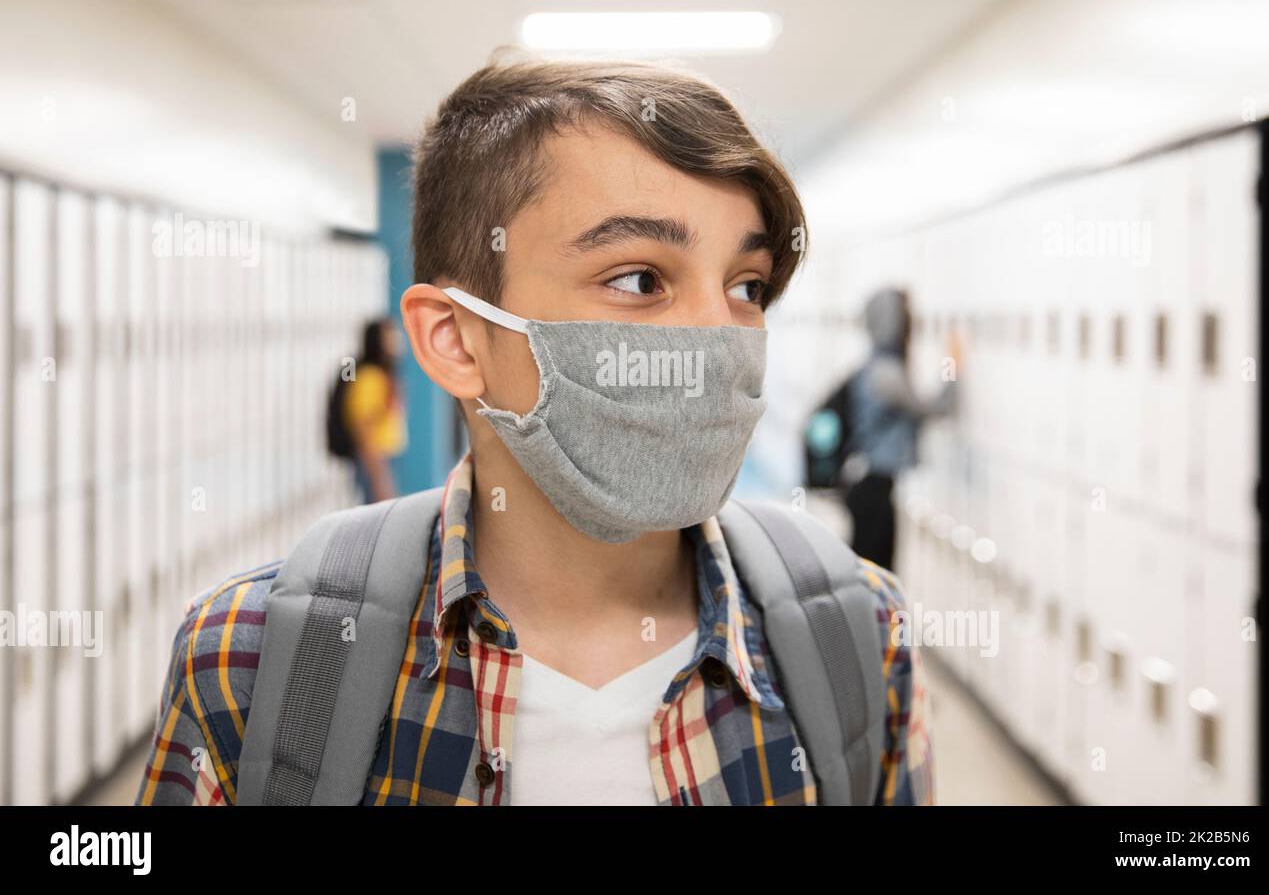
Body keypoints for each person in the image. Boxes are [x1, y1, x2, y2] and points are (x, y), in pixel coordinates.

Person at [135, 56, 935, 806]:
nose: (716, 338)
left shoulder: (859, 636)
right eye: (637, 278)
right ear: (455, 338)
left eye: (746, 285)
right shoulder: (252, 660)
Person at [806, 288, 959, 570]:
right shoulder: (887, 372)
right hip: (871, 489)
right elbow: (937, 409)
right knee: (876, 575)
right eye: (906, 318)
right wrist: (953, 364)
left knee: (873, 573)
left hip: (870, 485)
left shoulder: (874, 366)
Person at [344, 317, 407, 503]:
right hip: (375, 460)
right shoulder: (370, 378)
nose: (397, 339)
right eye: (390, 335)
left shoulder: (384, 375)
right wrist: (379, 474)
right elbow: (363, 428)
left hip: (384, 458)